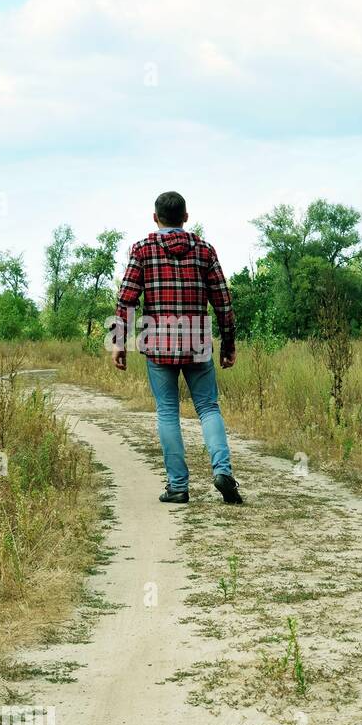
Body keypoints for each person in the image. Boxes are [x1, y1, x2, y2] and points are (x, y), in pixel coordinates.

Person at [112, 190, 243, 505]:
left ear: (155, 218)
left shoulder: (142, 250)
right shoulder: (204, 250)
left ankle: (178, 487)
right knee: (208, 408)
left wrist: (118, 343)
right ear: (186, 217)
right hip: (197, 341)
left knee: (167, 411)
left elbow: (127, 298)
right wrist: (228, 342)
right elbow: (222, 300)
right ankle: (222, 470)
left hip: (158, 343)